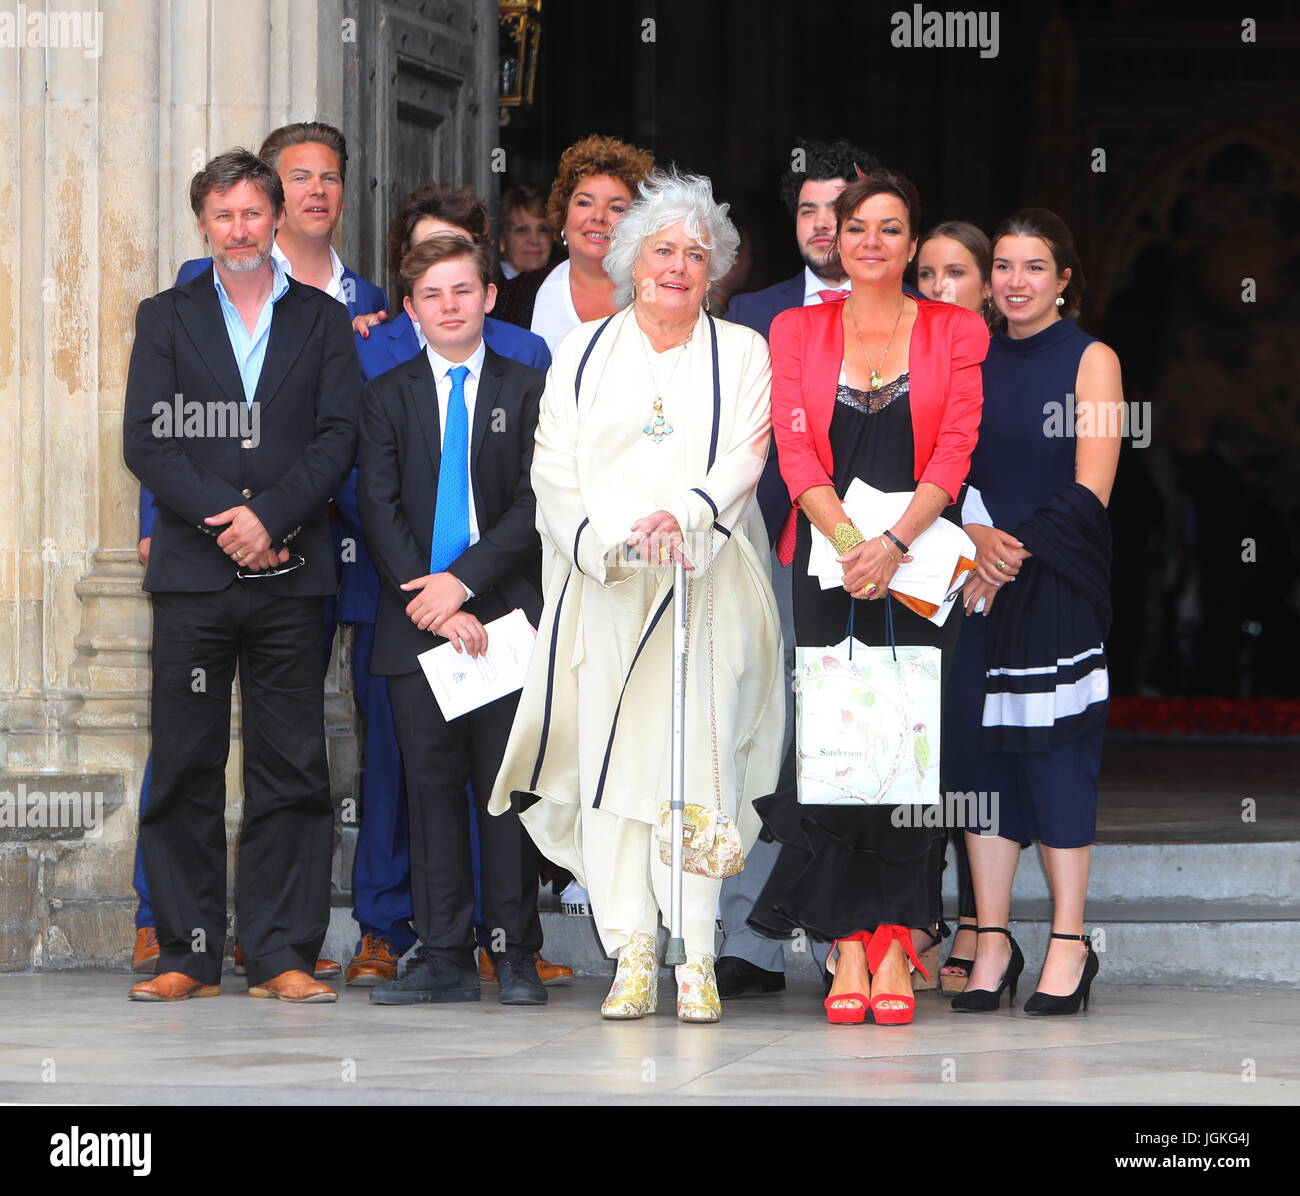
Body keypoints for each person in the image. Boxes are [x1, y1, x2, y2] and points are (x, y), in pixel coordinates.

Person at [489, 169, 784, 1024]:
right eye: (662, 250)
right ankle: (632, 949)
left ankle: (695, 953)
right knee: (612, 766)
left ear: (714, 268)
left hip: (706, 585)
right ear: (631, 259)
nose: (677, 267)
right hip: (606, 587)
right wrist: (601, 544)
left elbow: (747, 454)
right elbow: (553, 466)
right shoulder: (581, 351)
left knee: (696, 767)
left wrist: (682, 517)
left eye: (695, 253)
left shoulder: (743, 351)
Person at [130, 121, 384, 982]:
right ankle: (187, 953)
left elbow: (338, 436)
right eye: (222, 214)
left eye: (251, 213)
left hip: (291, 572)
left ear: (276, 218)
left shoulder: (323, 319)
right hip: (194, 576)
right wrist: (227, 520)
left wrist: (269, 518)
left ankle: (281, 952)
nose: (238, 229)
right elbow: (148, 440)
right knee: (185, 765)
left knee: (293, 769)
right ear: (202, 223)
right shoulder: (165, 317)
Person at [747, 169, 988, 1026]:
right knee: (838, 751)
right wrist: (854, 546)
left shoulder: (956, 329)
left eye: (891, 228)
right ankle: (847, 942)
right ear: (836, 240)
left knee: (906, 754)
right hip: (828, 565)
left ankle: (894, 942)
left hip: (915, 568)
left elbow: (954, 450)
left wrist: (893, 545)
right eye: (857, 227)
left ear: (913, 242)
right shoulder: (795, 328)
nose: (872, 242)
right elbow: (795, 451)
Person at [346, 183, 569, 989]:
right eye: (432, 295)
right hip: (416, 621)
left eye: (463, 291)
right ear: (410, 309)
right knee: (430, 788)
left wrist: (464, 587)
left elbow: (536, 502)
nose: (449, 306)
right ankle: (442, 954)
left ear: (490, 296)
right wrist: (434, 603)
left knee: (503, 790)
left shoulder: (529, 388)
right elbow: (378, 508)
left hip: (504, 615)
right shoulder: (385, 397)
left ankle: (513, 951)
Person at [717, 139, 887, 1000]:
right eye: (809, 211)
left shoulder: (913, 314)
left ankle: (846, 936)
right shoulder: (751, 312)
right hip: (776, 555)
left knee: (855, 740)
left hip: (884, 561)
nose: (825, 226)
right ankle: (748, 933)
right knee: (765, 735)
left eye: (841, 211)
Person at [947, 209, 1122, 1016]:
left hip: (1053, 582)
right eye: (1005, 266)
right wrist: (974, 537)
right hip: (974, 584)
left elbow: (1092, 488)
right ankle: (991, 941)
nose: (1016, 282)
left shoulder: (1092, 359)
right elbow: (946, 467)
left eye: (1035, 267)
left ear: (1064, 280)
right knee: (979, 763)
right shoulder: (970, 357)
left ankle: (1069, 943)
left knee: (1055, 757)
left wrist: (1008, 552)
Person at [912, 217, 995, 991]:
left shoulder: (1005, 359)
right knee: (922, 750)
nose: (940, 288)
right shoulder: (906, 352)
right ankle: (920, 917)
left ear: (988, 285)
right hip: (917, 573)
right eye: (928, 274)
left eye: (957, 273)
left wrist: (988, 545)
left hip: (995, 581)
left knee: (975, 753)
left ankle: (976, 919)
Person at [492, 134, 654, 354]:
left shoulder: (658, 292)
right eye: (585, 203)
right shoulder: (515, 296)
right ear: (563, 215)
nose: (599, 216)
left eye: (616, 207)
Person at [498, 184, 554, 281]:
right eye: (522, 230)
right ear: (502, 238)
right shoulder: (489, 285)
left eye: (543, 230)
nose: (535, 241)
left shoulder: (558, 284)